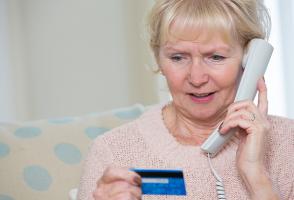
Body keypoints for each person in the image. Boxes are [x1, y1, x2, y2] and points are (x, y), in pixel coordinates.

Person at [77, 0, 294, 199]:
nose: (196, 78)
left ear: (251, 60)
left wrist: (257, 176)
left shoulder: (287, 143)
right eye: (178, 57)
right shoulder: (112, 152)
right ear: (158, 59)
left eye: (215, 57)